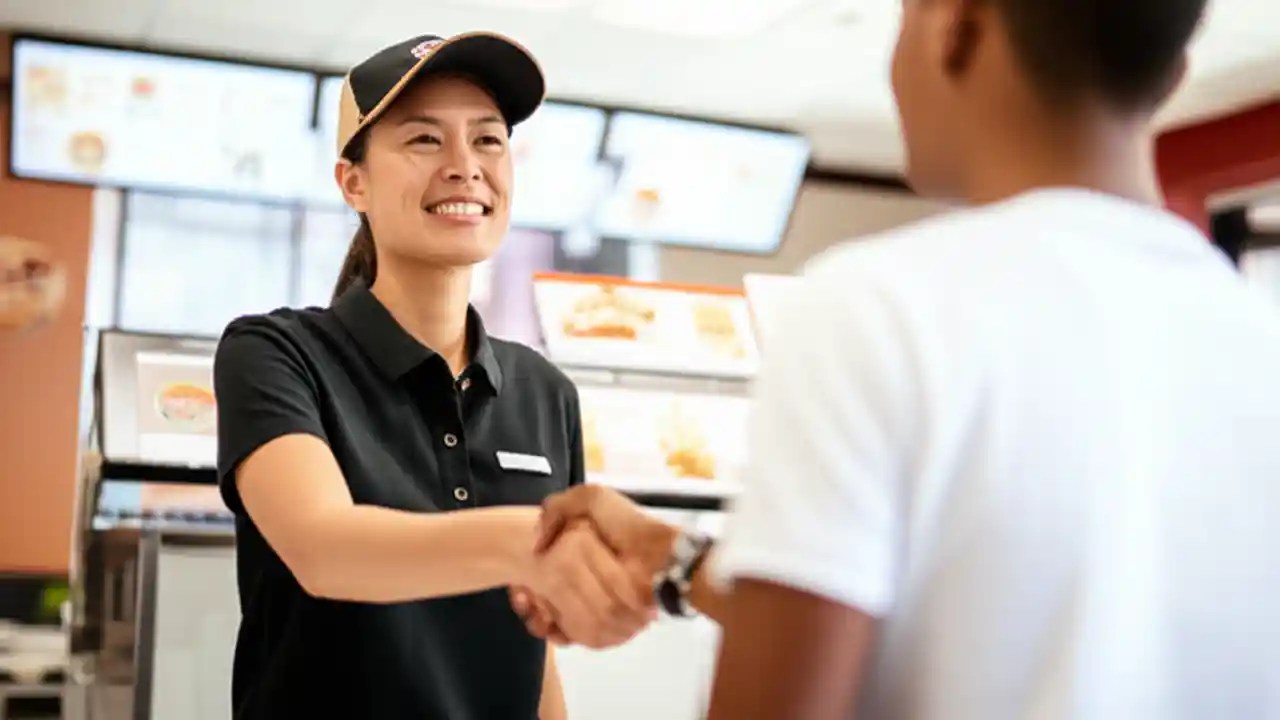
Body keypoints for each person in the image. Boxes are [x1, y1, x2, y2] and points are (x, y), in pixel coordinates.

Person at [519, 0, 1280, 718]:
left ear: (952, 26)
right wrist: (676, 559)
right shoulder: (1255, 340)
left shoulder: (876, 308)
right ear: (1170, 74)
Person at [212, 33, 652, 720]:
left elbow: (537, 650)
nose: (464, 167)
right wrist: (533, 544)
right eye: (424, 140)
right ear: (353, 182)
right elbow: (328, 551)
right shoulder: (277, 353)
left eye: (488, 141)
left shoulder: (544, 391)